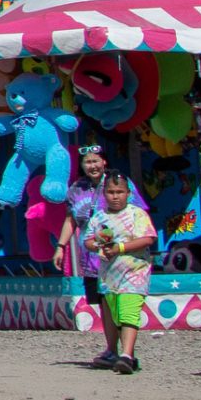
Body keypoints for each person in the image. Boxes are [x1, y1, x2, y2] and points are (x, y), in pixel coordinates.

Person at [56, 142, 148, 367]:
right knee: (104, 303)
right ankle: (112, 350)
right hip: (91, 257)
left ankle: (127, 352)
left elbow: (138, 214)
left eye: (96, 160)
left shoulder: (118, 183)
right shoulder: (77, 188)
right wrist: (61, 246)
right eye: (87, 162)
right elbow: (71, 219)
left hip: (122, 257)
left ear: (104, 161)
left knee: (122, 301)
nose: (92, 165)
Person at [84, 172, 156, 375]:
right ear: (104, 194)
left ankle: (127, 354)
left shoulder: (137, 214)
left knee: (129, 311)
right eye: (111, 192)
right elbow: (87, 240)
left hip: (134, 272)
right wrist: (99, 246)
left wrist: (121, 248)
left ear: (128, 193)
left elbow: (148, 238)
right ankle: (111, 350)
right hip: (108, 276)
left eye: (120, 192)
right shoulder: (100, 217)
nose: (115, 196)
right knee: (111, 312)